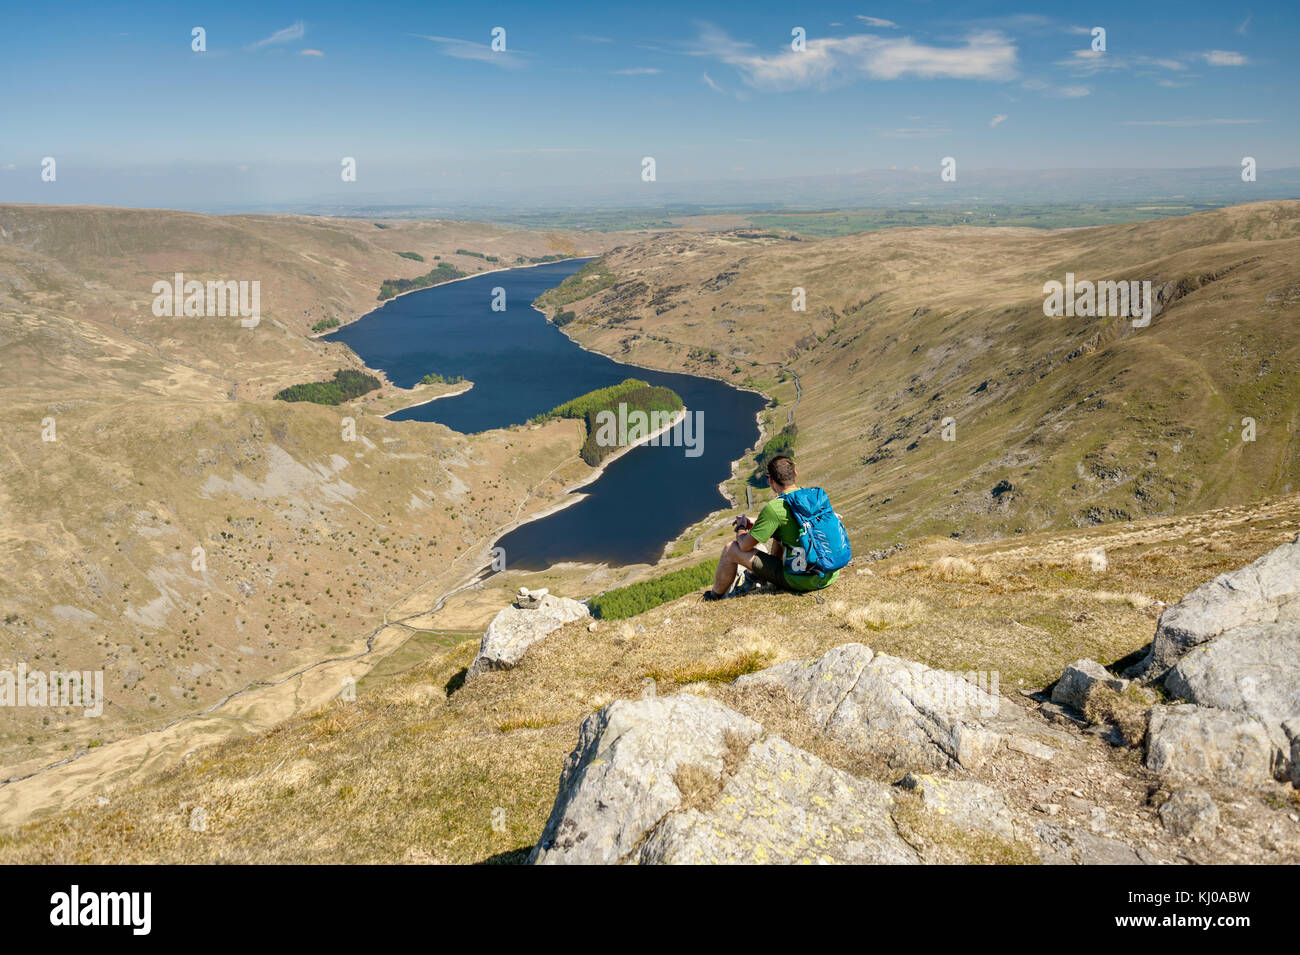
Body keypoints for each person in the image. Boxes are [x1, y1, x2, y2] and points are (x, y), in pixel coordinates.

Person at [703, 455, 840, 599]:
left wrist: (741, 527)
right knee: (779, 536)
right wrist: (758, 523)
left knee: (730, 549)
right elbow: (790, 523)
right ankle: (768, 577)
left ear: (771, 481)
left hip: (803, 581)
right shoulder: (814, 497)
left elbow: (744, 546)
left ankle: (713, 597)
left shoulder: (775, 508)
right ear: (795, 474)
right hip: (829, 573)